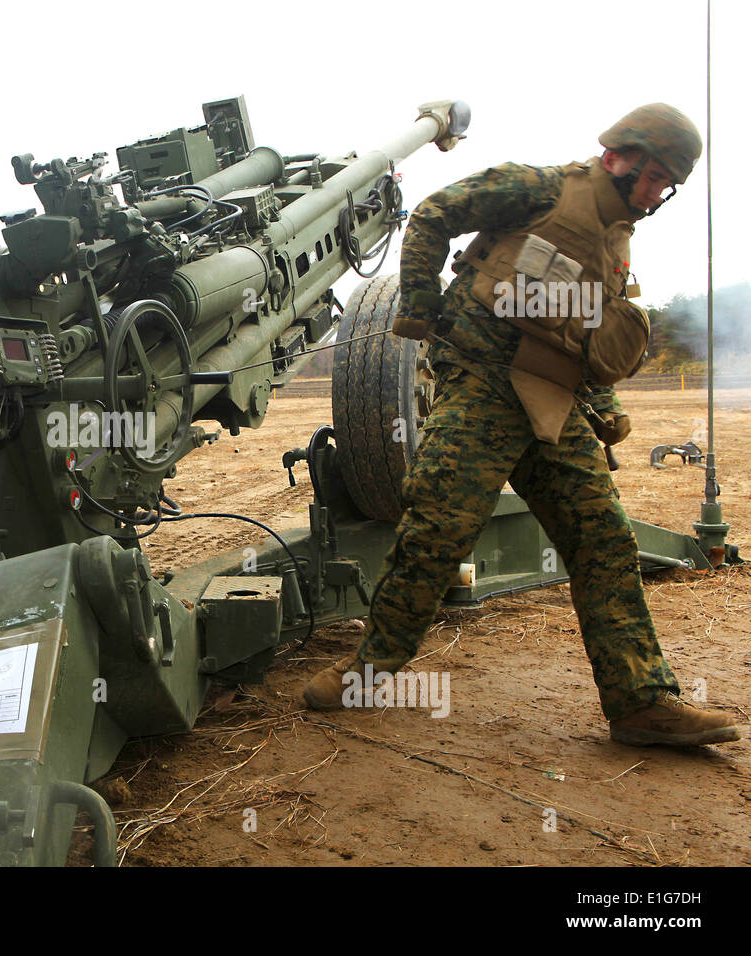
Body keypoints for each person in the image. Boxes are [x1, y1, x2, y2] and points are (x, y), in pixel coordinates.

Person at [303, 104, 741, 747]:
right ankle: (369, 672)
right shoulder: (539, 189)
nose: (658, 195)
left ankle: (642, 703)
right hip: (482, 382)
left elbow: (584, 333)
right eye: (655, 178)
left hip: (552, 402)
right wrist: (420, 310)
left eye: (668, 185)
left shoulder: (617, 245)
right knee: (436, 530)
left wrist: (607, 409)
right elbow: (431, 214)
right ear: (622, 156)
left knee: (605, 540)